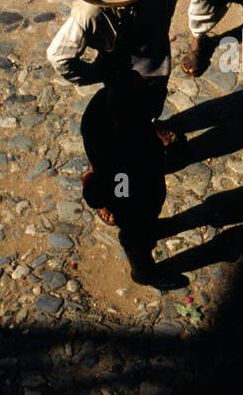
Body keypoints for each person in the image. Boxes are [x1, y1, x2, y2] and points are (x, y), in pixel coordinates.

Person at [46, 0, 187, 146]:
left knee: (152, 100)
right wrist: (95, 73)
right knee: (126, 114)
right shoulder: (90, 12)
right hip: (120, 71)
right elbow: (59, 56)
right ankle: (139, 142)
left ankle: (147, 124)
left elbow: (169, 4)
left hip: (157, 57)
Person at [79, 69, 185, 290]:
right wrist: (99, 188)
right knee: (136, 234)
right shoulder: (106, 137)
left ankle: (147, 228)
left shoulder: (111, 106)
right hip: (129, 194)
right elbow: (96, 191)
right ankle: (143, 272)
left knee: (146, 217)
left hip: (146, 180)